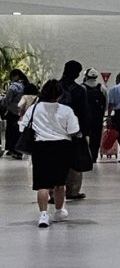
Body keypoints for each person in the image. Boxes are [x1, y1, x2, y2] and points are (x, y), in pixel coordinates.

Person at [21, 79, 78, 228]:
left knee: (42, 184)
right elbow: (73, 130)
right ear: (60, 94)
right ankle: (59, 211)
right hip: (62, 147)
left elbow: (23, 127)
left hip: (41, 147)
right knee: (60, 183)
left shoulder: (34, 109)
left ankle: (43, 215)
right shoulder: (66, 110)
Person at [58, 60, 91, 201]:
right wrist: (86, 132)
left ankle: (54, 193)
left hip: (55, 130)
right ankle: (73, 191)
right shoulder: (79, 90)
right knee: (75, 161)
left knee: (56, 161)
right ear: (77, 74)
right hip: (74, 130)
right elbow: (84, 113)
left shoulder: (54, 87)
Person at [5, 67, 36, 158]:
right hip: (24, 112)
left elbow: (7, 100)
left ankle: (13, 150)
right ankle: (19, 150)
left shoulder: (14, 86)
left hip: (13, 112)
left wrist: (4, 104)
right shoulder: (26, 85)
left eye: (12, 77)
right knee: (19, 132)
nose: (11, 79)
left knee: (11, 132)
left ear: (16, 76)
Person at [81, 68, 106, 164]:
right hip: (98, 117)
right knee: (96, 137)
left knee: (84, 136)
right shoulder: (101, 88)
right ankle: (94, 156)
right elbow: (106, 102)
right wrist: (103, 113)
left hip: (85, 117)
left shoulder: (82, 88)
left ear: (86, 76)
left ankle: (85, 156)